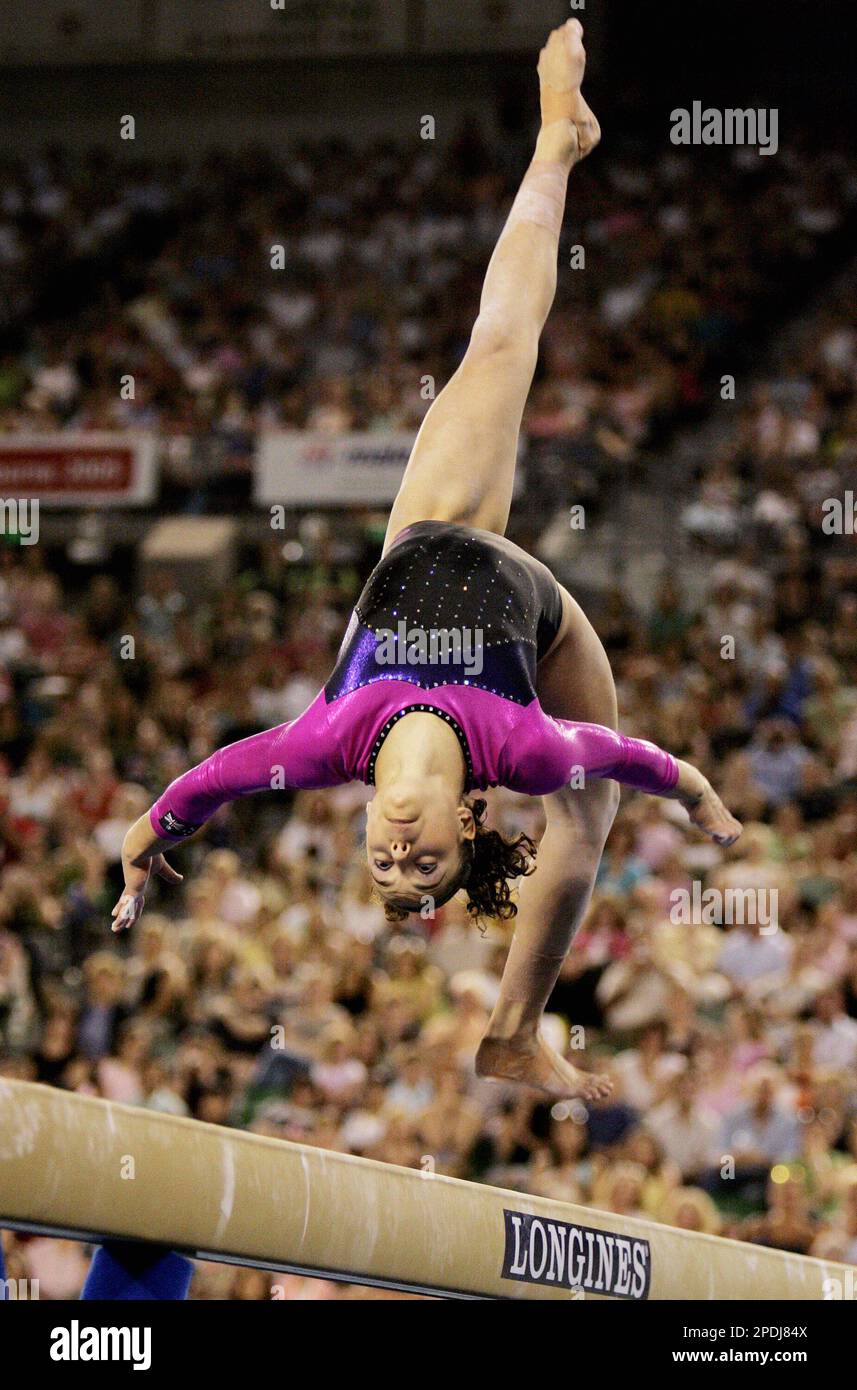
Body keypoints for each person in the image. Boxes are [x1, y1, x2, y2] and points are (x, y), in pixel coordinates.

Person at [112, 21, 741, 1100]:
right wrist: (699, 802)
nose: (401, 849)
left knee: (499, 343)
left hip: (431, 526)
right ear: (466, 822)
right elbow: (637, 758)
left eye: (384, 860)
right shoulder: (518, 745)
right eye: (427, 860)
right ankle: (555, 144)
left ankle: (510, 1030)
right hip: (536, 614)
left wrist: (144, 836)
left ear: (361, 821)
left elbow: (204, 785)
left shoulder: (321, 742)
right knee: (591, 800)